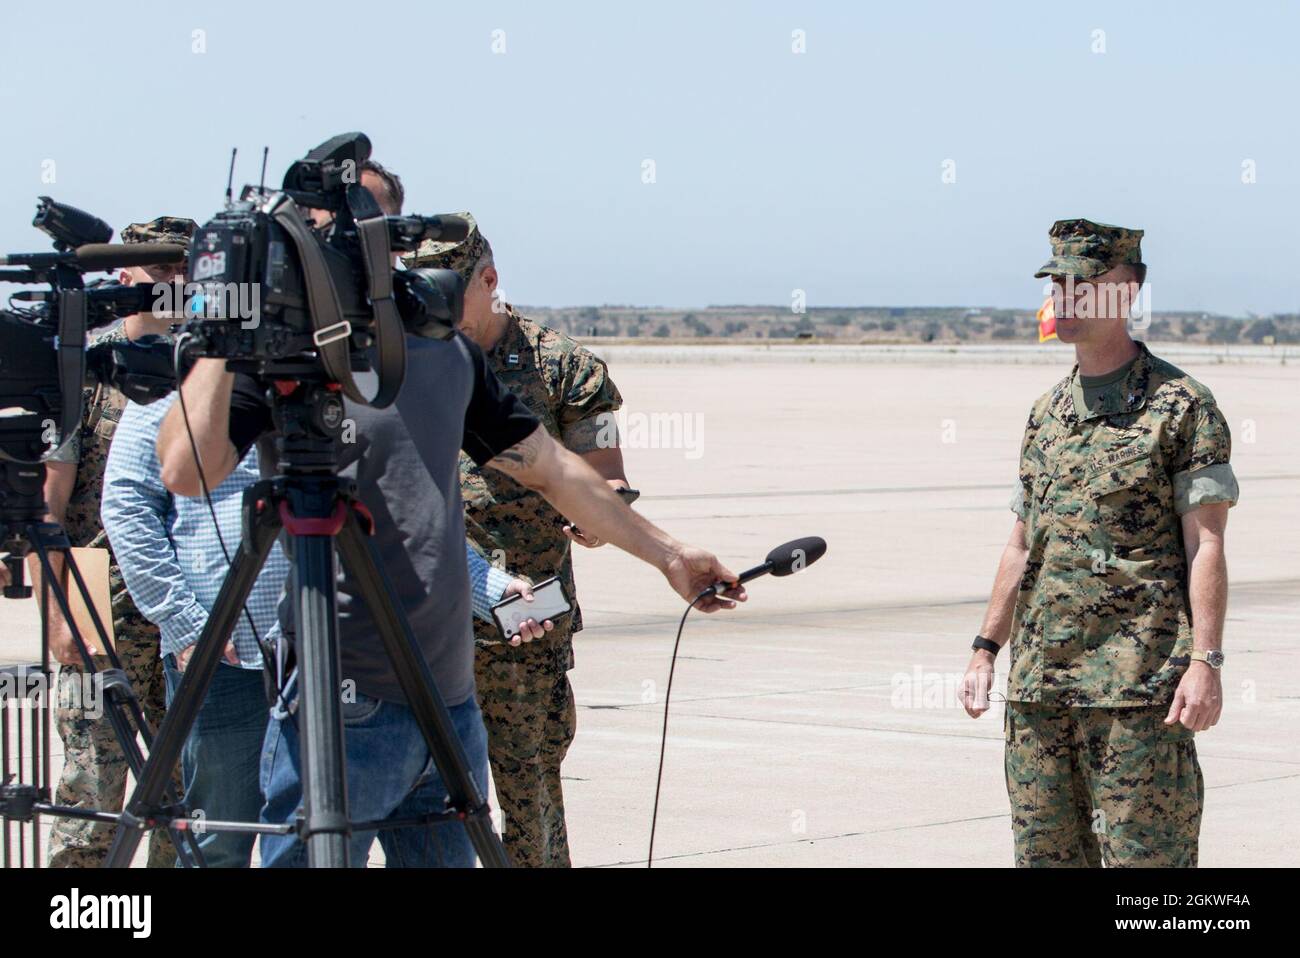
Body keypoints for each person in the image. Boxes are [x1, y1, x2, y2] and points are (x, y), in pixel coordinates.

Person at [959, 219, 1239, 868]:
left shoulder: (1181, 406)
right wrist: (984, 651)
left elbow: (1208, 546)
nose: (1066, 296)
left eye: (1086, 283)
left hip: (1138, 696)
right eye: (1058, 282)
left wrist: (1207, 663)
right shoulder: (1046, 413)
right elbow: (1021, 545)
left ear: (1130, 292)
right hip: (1039, 694)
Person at [406, 215, 629, 867]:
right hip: (418, 620)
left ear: (489, 281)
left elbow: (609, 479)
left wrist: (596, 519)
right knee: (412, 807)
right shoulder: (402, 362)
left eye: (444, 291)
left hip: (524, 623)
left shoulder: (563, 367)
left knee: (527, 801)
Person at [42, 215, 196, 868]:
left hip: (180, 617)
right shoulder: (87, 371)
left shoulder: (206, 372)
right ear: (124, 275)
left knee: (187, 802)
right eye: (157, 270)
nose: (171, 282)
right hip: (96, 610)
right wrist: (56, 617)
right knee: (90, 800)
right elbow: (49, 505)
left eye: (181, 269)